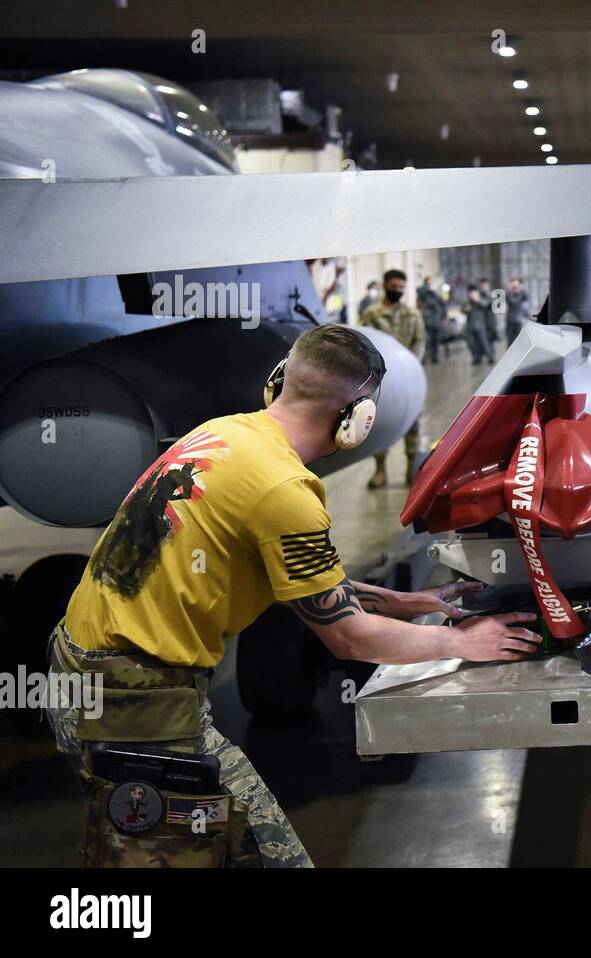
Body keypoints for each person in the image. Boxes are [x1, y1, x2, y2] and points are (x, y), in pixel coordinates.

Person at [45, 324, 540, 868]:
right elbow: (350, 638)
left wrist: (409, 603)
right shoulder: (286, 491)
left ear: (279, 380)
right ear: (357, 419)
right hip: (137, 707)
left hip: (78, 671)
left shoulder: (225, 434)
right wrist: (466, 642)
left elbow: (304, 585)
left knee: (143, 847)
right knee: (268, 856)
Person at [359, 269, 425, 488]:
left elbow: (419, 341)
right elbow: (365, 341)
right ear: (385, 285)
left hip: (409, 377)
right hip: (380, 378)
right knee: (379, 421)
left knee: (412, 421)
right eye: (394, 287)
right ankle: (380, 470)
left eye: (401, 288)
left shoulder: (412, 314)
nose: (397, 291)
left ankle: (410, 470)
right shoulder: (372, 314)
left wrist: (411, 366)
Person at [464, 280, 495, 366]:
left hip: (481, 324)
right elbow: (463, 308)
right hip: (470, 325)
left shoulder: (482, 299)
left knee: (484, 342)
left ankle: (490, 357)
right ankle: (476, 358)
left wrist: (477, 300)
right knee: (472, 343)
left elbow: (486, 305)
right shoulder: (468, 301)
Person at [416, 276, 445, 364]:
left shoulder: (436, 294)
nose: (431, 284)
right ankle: (424, 358)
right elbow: (419, 292)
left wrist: (443, 316)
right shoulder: (423, 292)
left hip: (437, 320)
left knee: (436, 340)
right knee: (427, 341)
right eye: (429, 282)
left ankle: (435, 357)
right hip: (427, 320)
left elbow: (442, 304)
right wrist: (427, 287)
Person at [505, 278, 530, 345]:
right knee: (511, 341)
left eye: (517, 285)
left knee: (521, 341)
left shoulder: (523, 294)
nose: (515, 287)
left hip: (521, 320)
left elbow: (526, 303)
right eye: (513, 285)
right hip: (511, 321)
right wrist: (511, 291)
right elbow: (512, 301)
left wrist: (521, 290)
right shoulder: (508, 294)